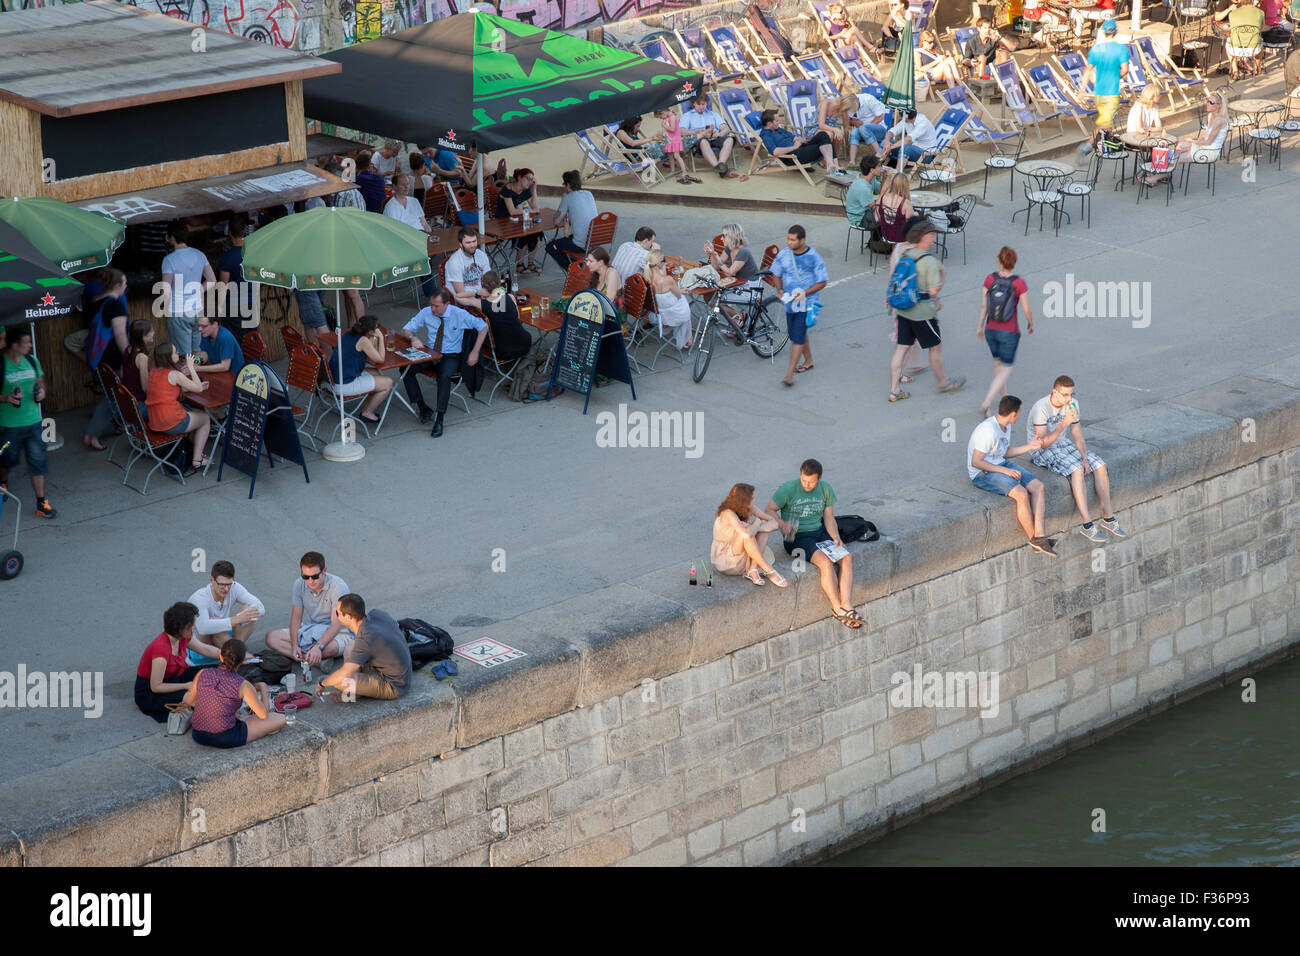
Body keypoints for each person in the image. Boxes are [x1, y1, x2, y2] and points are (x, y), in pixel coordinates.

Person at [1028, 375, 1129, 542]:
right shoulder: (1041, 408)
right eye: (1065, 395)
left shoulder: (1073, 404)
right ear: (1055, 392)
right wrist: (1062, 425)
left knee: (1100, 465)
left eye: (1071, 394)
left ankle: (1108, 518)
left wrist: (1084, 457)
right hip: (1041, 450)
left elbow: (1077, 434)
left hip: (1063, 443)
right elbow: (1043, 443)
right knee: (1076, 470)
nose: (1069, 399)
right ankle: (1087, 524)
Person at [767, 459, 860, 628]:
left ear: (820, 478)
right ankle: (837, 609)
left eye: (811, 482)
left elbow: (829, 517)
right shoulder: (788, 489)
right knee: (825, 563)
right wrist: (782, 524)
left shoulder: (825, 489)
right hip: (797, 537)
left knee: (846, 558)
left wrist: (835, 537)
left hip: (819, 532)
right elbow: (769, 510)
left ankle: (847, 605)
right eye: (804, 480)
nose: (807, 485)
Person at [886, 219, 965, 401]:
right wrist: (935, 297)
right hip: (922, 313)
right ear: (924, 237)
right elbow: (934, 289)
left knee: (901, 348)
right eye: (931, 235)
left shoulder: (906, 253)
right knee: (935, 347)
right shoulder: (928, 260)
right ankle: (943, 382)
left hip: (904, 310)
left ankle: (894, 390)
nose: (933, 238)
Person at [968, 396, 1055, 556]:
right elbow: (976, 462)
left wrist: (1030, 446)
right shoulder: (987, 431)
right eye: (1019, 412)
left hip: (999, 463)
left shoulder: (1004, 426)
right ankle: (1034, 540)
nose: (1019, 415)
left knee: (1038, 487)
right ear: (1013, 414)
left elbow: (1004, 452)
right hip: (982, 473)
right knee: (1021, 493)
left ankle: (1041, 536)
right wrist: (1005, 471)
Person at [399, 287, 487, 436]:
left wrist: (475, 352)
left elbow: (483, 327)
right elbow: (406, 329)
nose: (432, 308)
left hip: (451, 355)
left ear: (446, 304)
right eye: (431, 305)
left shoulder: (459, 314)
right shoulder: (427, 312)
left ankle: (440, 418)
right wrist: (412, 337)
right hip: (431, 352)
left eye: (436, 306)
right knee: (405, 369)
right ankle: (423, 407)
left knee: (444, 376)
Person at [181, 639, 285, 748]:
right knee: (279, 718)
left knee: (237, 715)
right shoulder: (242, 684)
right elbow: (263, 714)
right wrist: (263, 688)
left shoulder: (203, 672)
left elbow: (188, 701)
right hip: (225, 737)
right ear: (242, 661)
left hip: (198, 734)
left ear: (221, 657)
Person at [0, 326, 56, 518]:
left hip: (33, 422)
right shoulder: (2, 365)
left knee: (38, 461)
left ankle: (41, 502)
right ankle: (3, 482)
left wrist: (41, 392)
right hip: (9, 425)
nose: (30, 346)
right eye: (26, 343)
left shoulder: (32, 361)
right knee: (7, 459)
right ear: (14, 345)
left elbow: (41, 383)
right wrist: (6, 398)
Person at [266, 551, 355, 667]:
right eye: (306, 577)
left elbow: (336, 626)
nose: (310, 581)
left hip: (341, 632)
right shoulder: (299, 584)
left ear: (324, 571)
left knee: (330, 649)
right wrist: (294, 646)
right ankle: (314, 660)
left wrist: (318, 647)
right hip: (315, 629)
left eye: (315, 576)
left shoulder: (338, 586)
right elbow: (296, 619)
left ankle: (310, 657)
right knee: (271, 638)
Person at [318, 594, 412, 700]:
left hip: (393, 685)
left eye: (337, 613)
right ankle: (353, 693)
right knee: (350, 646)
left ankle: (351, 696)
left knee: (341, 681)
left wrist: (322, 684)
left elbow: (344, 674)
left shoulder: (366, 638)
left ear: (348, 617)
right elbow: (396, 626)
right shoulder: (376, 614)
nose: (336, 616)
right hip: (394, 670)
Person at [976, 246, 1033, 419]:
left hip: (991, 330)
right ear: (1014, 263)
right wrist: (1030, 323)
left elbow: (984, 305)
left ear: (998, 261)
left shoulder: (990, 279)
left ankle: (1003, 398)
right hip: (1009, 332)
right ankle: (987, 402)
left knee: (997, 364)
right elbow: (1026, 308)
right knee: (1006, 369)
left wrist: (979, 326)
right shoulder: (1018, 283)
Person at [768, 224, 828, 386]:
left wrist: (805, 293)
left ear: (802, 240)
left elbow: (822, 281)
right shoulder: (784, 254)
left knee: (798, 336)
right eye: (788, 239)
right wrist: (779, 289)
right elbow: (776, 272)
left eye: (793, 240)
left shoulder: (813, 257)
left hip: (806, 303)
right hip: (789, 301)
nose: (789, 242)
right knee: (796, 335)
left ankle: (789, 374)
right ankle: (808, 360)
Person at [82, 268, 131, 451]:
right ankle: (92, 435)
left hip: (97, 356)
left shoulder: (96, 301)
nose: (126, 286)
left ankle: (113, 425)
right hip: (112, 358)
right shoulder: (115, 305)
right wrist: (128, 355)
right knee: (112, 396)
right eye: (125, 283)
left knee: (110, 393)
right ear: (117, 285)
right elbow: (119, 334)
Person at [146, 341, 212, 473]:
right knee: (205, 418)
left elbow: (168, 389)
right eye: (175, 352)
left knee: (192, 413)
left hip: (155, 421)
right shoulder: (174, 374)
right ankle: (197, 459)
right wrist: (191, 367)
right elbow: (198, 388)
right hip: (170, 423)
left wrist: (190, 386)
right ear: (169, 357)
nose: (178, 354)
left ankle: (193, 447)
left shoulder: (153, 372)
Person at [185, 559, 266, 667]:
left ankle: (237, 653)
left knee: (248, 609)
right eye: (222, 585)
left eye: (229, 584)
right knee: (215, 622)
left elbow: (260, 608)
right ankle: (238, 654)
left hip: (223, 641)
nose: (226, 589)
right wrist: (237, 619)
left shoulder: (235, 587)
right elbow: (204, 628)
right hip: (200, 649)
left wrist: (243, 616)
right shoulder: (199, 598)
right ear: (212, 580)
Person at [135, 602, 205, 721]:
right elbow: (156, 687)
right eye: (192, 625)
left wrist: (228, 656)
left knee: (212, 672)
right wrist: (186, 686)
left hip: (174, 676)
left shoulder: (182, 637)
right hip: (151, 693)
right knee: (192, 695)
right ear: (181, 628)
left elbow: (205, 649)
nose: (195, 627)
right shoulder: (161, 649)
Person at [712, 482, 788, 587]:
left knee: (757, 531)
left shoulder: (749, 508)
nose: (753, 499)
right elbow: (746, 535)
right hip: (728, 559)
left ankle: (753, 569)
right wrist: (757, 521)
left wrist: (757, 527)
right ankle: (768, 570)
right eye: (751, 498)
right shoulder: (727, 513)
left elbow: (774, 523)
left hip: (745, 556)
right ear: (743, 501)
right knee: (747, 534)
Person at [159, 222, 214, 357]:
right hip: (197, 310)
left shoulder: (169, 260)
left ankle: (187, 376)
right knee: (196, 352)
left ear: (171, 237)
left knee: (183, 355)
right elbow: (212, 281)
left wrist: (162, 305)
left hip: (178, 311)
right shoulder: (200, 254)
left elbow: (165, 291)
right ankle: (197, 374)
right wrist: (199, 290)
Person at [333, 314, 394, 426]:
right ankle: (367, 413)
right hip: (344, 384)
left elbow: (370, 357)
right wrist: (380, 337)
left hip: (334, 378)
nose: (378, 330)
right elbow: (380, 359)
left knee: (375, 373)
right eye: (377, 328)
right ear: (371, 332)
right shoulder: (363, 341)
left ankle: (366, 408)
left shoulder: (348, 334)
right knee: (388, 382)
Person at [1080, 19, 1129, 157]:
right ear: (1116, 32)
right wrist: (1115, 77)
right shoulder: (1121, 49)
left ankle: (1104, 148)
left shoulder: (1095, 49)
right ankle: (1087, 146)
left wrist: (1082, 90)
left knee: (1107, 123)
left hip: (1099, 92)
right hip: (1111, 92)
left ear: (1103, 32)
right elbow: (1125, 70)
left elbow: (1087, 70)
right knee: (1105, 124)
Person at [705, 222, 762, 336]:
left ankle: (739, 318)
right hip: (738, 284)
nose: (721, 238)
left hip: (751, 288)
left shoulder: (744, 252)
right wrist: (712, 253)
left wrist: (716, 255)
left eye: (724, 235)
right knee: (709, 297)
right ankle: (738, 317)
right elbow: (716, 266)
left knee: (715, 300)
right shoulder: (729, 249)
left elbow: (731, 271)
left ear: (732, 236)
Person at [544, 171, 600, 272]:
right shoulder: (589, 194)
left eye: (564, 185)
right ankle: (578, 266)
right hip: (595, 241)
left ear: (568, 185)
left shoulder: (568, 197)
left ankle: (574, 271)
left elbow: (556, 221)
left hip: (581, 244)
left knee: (550, 246)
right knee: (568, 240)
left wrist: (563, 199)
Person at [476, 271, 533, 362]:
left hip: (501, 351)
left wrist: (476, 293)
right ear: (499, 284)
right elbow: (517, 318)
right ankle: (523, 365)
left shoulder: (481, 305)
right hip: (524, 344)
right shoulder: (510, 297)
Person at [759, 109, 838, 174]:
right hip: (792, 157)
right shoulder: (766, 136)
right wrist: (794, 147)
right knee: (824, 145)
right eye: (776, 121)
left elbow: (794, 138)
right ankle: (831, 165)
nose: (779, 122)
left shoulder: (778, 129)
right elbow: (775, 152)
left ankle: (833, 165)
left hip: (800, 148)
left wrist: (804, 140)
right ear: (769, 124)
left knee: (823, 134)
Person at [680, 93, 739, 178]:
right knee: (703, 142)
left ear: (706, 103)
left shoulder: (713, 114)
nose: (701, 107)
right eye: (699, 104)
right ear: (694, 104)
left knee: (729, 139)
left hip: (714, 137)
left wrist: (720, 134)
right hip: (700, 139)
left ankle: (721, 165)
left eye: (703, 104)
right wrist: (697, 132)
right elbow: (682, 131)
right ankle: (719, 167)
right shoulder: (687, 116)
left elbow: (726, 128)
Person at [215, 213, 255, 338]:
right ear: (244, 231)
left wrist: (219, 308)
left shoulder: (227, 258)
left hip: (233, 305)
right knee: (252, 340)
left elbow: (223, 286)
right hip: (251, 302)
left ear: (230, 233)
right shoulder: (253, 253)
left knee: (236, 341)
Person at [496, 168, 542, 275]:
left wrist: (534, 188)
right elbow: (512, 211)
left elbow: (536, 207)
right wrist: (528, 210)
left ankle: (530, 263)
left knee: (536, 233)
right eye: (528, 179)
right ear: (520, 177)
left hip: (516, 220)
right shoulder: (507, 189)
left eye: (532, 180)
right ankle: (519, 264)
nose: (530, 182)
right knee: (523, 234)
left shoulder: (525, 191)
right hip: (501, 222)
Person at [644, 250, 693, 350]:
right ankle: (688, 337)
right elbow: (678, 296)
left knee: (681, 299)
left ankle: (687, 336)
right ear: (659, 264)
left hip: (658, 314)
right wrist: (681, 290)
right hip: (671, 315)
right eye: (664, 260)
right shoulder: (667, 280)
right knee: (684, 300)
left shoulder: (646, 278)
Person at [1174, 90, 1230, 160]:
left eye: (1211, 103)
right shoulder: (1210, 116)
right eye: (1207, 101)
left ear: (1219, 105)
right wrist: (1195, 139)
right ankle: (1164, 165)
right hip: (1204, 147)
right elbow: (1207, 137)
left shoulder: (1219, 121)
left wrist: (1191, 141)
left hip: (1210, 152)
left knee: (1177, 158)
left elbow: (1208, 142)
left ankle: (1165, 166)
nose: (1208, 104)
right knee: (1179, 146)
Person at [444, 227, 492, 307]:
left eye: (474, 241)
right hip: (466, 300)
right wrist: (479, 295)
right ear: (460, 244)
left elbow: (487, 281)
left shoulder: (481, 255)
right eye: (468, 242)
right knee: (496, 308)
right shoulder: (454, 262)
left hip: (481, 295)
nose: (472, 245)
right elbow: (461, 294)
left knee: (509, 298)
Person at [1219, 0, 1265, 78]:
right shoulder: (1260, 12)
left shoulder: (1233, 14)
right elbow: (1261, 28)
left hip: (1236, 49)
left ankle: (1235, 70)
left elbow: (1232, 28)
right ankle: (1257, 68)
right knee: (1260, 42)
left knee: (1228, 43)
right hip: (1253, 49)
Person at [654, 107, 697, 184]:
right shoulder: (667, 117)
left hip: (675, 140)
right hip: (669, 140)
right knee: (670, 155)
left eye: (660, 117)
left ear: (663, 112)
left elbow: (673, 129)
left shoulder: (672, 117)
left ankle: (684, 172)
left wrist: (664, 126)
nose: (661, 119)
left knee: (676, 156)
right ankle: (672, 170)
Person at [382, 172, 431, 236]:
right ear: (394, 186)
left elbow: (424, 223)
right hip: (406, 238)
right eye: (402, 185)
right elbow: (393, 232)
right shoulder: (390, 207)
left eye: (408, 184)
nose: (406, 187)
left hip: (422, 235)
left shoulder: (414, 201)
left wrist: (430, 235)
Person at [846, 90, 889, 164]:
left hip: (879, 129)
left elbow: (881, 116)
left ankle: (879, 157)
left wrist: (867, 127)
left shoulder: (868, 99)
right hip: (862, 129)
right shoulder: (849, 103)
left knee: (863, 128)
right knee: (854, 131)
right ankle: (852, 161)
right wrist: (854, 121)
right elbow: (848, 119)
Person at [121, 319, 155, 406]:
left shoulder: (127, 349)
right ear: (143, 336)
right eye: (151, 331)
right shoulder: (142, 357)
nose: (154, 333)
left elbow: (122, 374)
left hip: (127, 400)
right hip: (139, 404)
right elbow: (146, 388)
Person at [846, 154, 884, 229]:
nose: (881, 168)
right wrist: (884, 190)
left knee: (888, 208)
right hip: (859, 219)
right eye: (879, 166)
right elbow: (875, 208)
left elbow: (879, 189)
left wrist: (885, 178)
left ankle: (877, 239)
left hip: (865, 211)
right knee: (888, 216)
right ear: (872, 170)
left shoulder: (870, 179)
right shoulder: (863, 187)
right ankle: (878, 239)